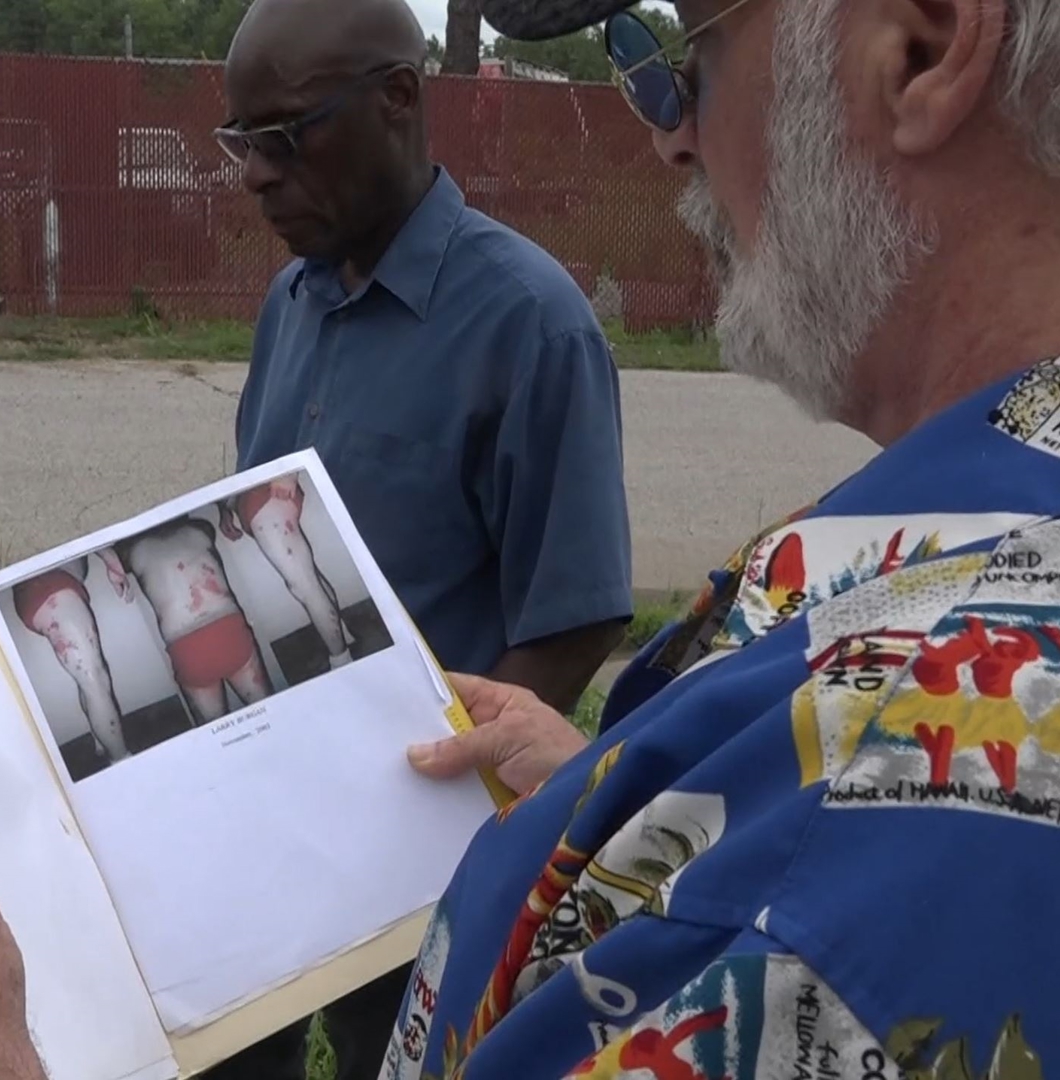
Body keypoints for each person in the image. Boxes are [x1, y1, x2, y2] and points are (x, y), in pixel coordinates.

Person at [0, 0, 1060, 1077]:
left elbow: (895, 861)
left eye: (677, 56)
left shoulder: (899, 807)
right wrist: (622, 799)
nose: (671, 136)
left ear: (920, 45)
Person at [213, 0, 636, 1071]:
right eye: (240, 143)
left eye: (285, 137)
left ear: (400, 98)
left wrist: (422, 817)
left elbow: (574, 618)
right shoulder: (289, 304)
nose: (255, 174)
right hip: (258, 824)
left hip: (416, 867)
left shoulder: (530, 323)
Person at [106, 517, 274, 725]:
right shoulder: (200, 528)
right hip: (227, 630)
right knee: (269, 713)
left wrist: (109, 560)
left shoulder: (132, 550)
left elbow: (99, 545)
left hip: (186, 647)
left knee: (216, 733)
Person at [220, 473, 357, 672]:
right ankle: (343, 636)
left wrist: (287, 473)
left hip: (264, 499)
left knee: (304, 587)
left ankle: (342, 661)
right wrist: (223, 509)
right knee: (309, 580)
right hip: (255, 503)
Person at [8, 558, 129, 762]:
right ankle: (123, 761)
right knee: (94, 678)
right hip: (51, 583)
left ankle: (102, 742)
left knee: (88, 680)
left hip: (44, 587)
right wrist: (110, 559)